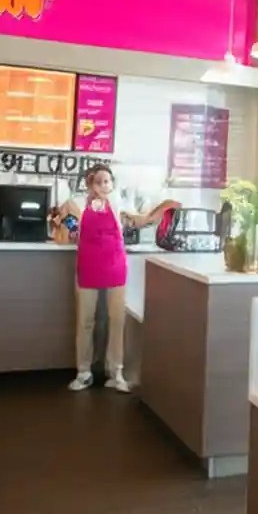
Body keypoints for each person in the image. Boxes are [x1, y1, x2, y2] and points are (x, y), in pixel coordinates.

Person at [60, 164, 177, 392]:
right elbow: (69, 227)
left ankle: (116, 372)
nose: (104, 185)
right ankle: (83, 372)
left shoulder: (120, 205)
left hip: (114, 267)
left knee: (117, 321)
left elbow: (140, 220)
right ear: (90, 185)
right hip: (88, 268)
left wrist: (162, 208)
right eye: (99, 181)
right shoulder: (76, 205)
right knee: (85, 321)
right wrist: (70, 228)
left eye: (107, 181)